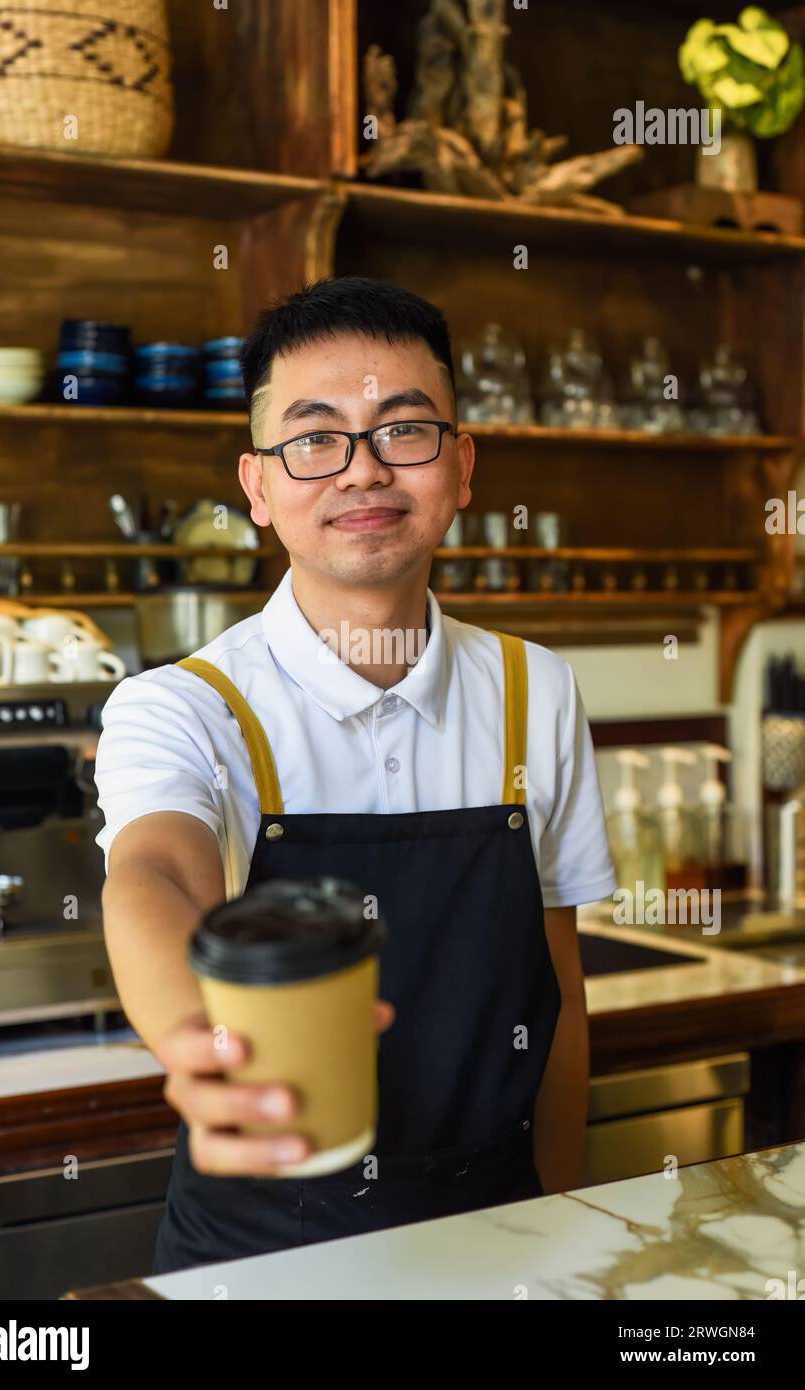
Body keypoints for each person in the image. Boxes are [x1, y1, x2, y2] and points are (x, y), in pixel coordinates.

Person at [94, 275, 617, 1274]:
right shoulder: (187, 706)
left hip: (502, 1244)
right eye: (315, 437)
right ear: (258, 487)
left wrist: (558, 1218)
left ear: (461, 467)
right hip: (259, 1262)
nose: (362, 471)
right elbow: (156, 873)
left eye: (404, 431)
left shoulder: (533, 690)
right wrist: (201, 1043)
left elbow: (558, 990)